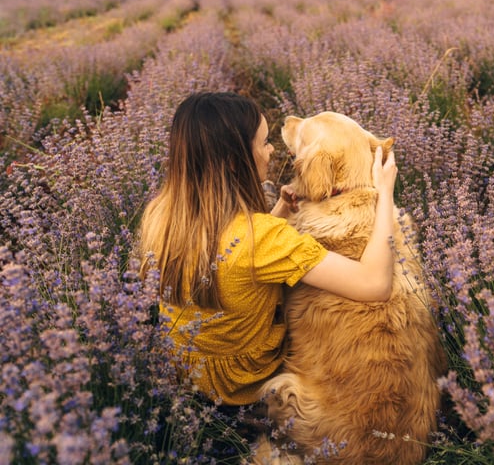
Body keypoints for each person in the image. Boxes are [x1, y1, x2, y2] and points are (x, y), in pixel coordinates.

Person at [137, 92, 397, 407]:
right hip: (242, 384)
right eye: (263, 143)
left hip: (184, 369)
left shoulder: (160, 213)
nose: (273, 150)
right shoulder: (263, 239)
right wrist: (385, 195)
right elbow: (374, 284)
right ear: (235, 162)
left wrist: (281, 210)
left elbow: (230, 257)